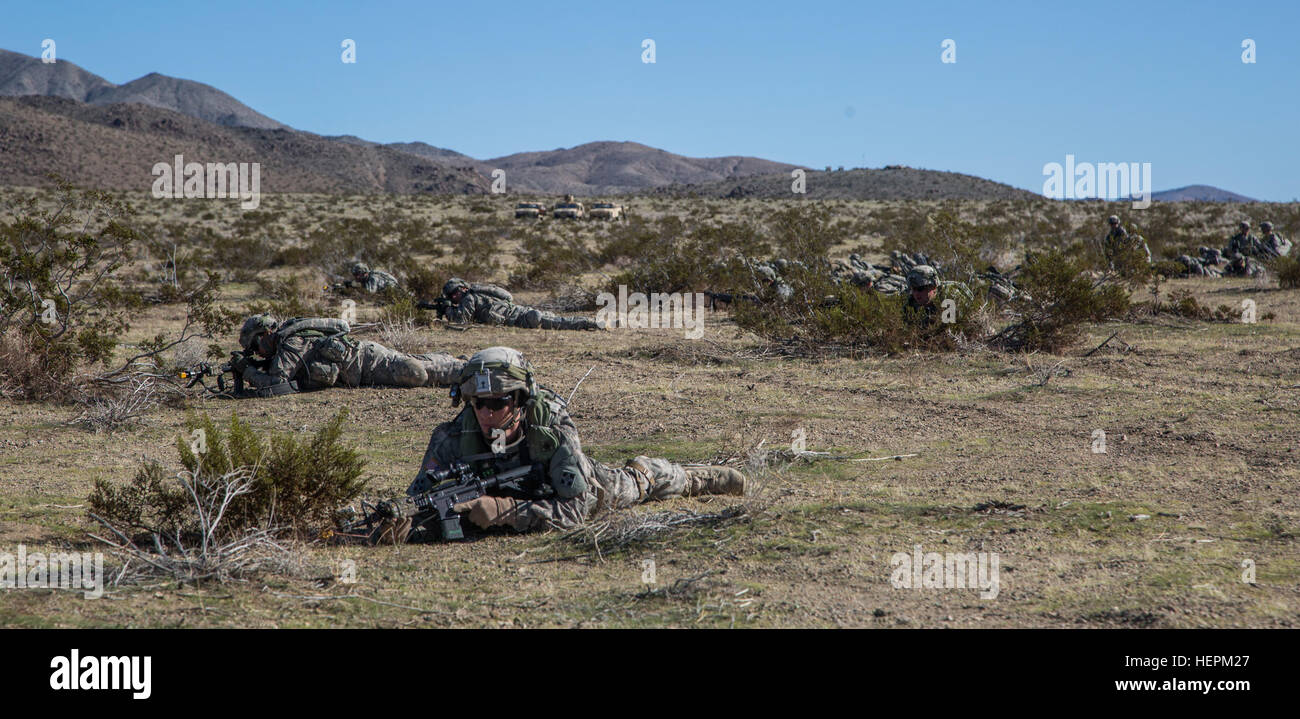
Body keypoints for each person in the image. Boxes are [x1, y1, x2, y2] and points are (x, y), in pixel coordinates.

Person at [404, 347, 745, 535]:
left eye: (498, 402)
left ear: (521, 400)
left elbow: (575, 511)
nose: (486, 412)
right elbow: (419, 500)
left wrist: (507, 511)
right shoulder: (450, 437)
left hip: (583, 487)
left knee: (637, 483)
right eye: (478, 403)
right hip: (515, 498)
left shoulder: (551, 427)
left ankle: (696, 477)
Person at [234, 314, 463, 393]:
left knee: (416, 374)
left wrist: (247, 371)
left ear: (264, 334)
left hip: (368, 362)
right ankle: (453, 361)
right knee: (416, 366)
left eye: (256, 346)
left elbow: (275, 384)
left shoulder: (291, 342)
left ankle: (468, 369)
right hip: (365, 367)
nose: (258, 353)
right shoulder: (286, 342)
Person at [439, 278, 600, 330]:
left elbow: (461, 320)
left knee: (562, 323)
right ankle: (592, 322)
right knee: (560, 321)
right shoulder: (479, 293)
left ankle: (590, 322)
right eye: (451, 296)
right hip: (524, 312)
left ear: (463, 289)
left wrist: (447, 309)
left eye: (455, 293)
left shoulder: (469, 298)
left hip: (524, 318)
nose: (454, 297)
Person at [901, 265, 971, 327]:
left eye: (920, 289)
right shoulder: (910, 302)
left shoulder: (950, 296)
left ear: (934, 287)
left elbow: (953, 328)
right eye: (913, 289)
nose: (916, 294)